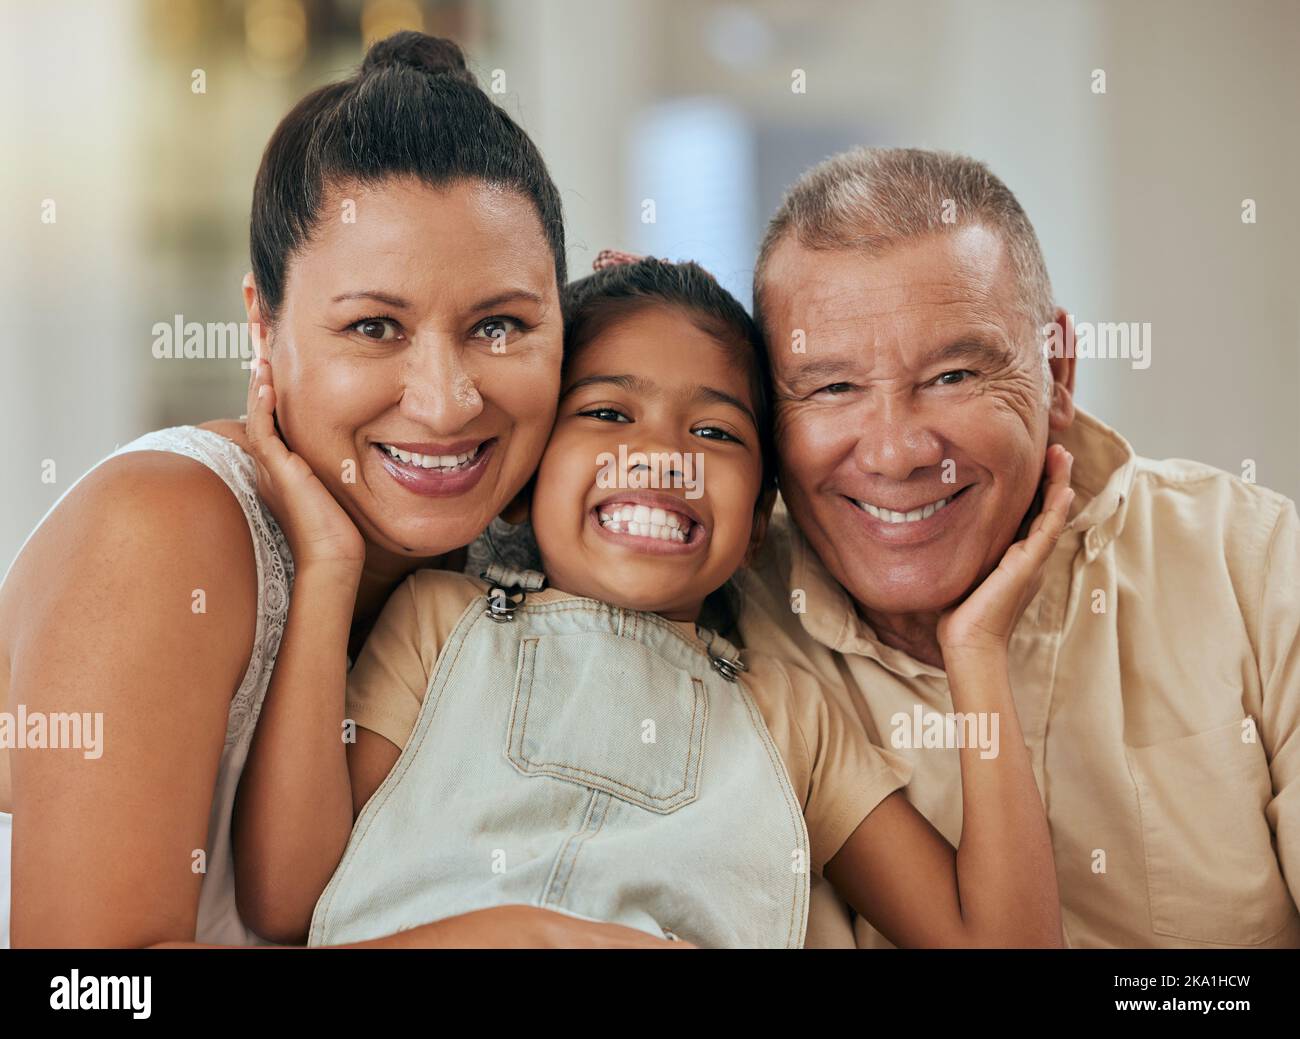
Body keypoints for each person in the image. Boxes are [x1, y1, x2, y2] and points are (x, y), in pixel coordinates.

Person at [0, 32, 671, 949]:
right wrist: (513, 942)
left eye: (502, 325)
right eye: (373, 326)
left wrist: (663, 353)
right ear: (262, 324)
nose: (445, 402)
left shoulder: (511, 543)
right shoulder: (162, 527)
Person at [231, 252, 1071, 948]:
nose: (662, 456)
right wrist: (328, 565)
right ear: (523, 481)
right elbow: (287, 896)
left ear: (756, 523)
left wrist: (977, 652)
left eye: (714, 433)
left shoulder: (792, 720)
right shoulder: (437, 625)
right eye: (606, 411)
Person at [740, 146, 1300, 947]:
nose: (896, 452)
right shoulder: (727, 621)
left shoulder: (1249, 561)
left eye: (955, 374)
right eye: (832, 388)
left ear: (1058, 371)